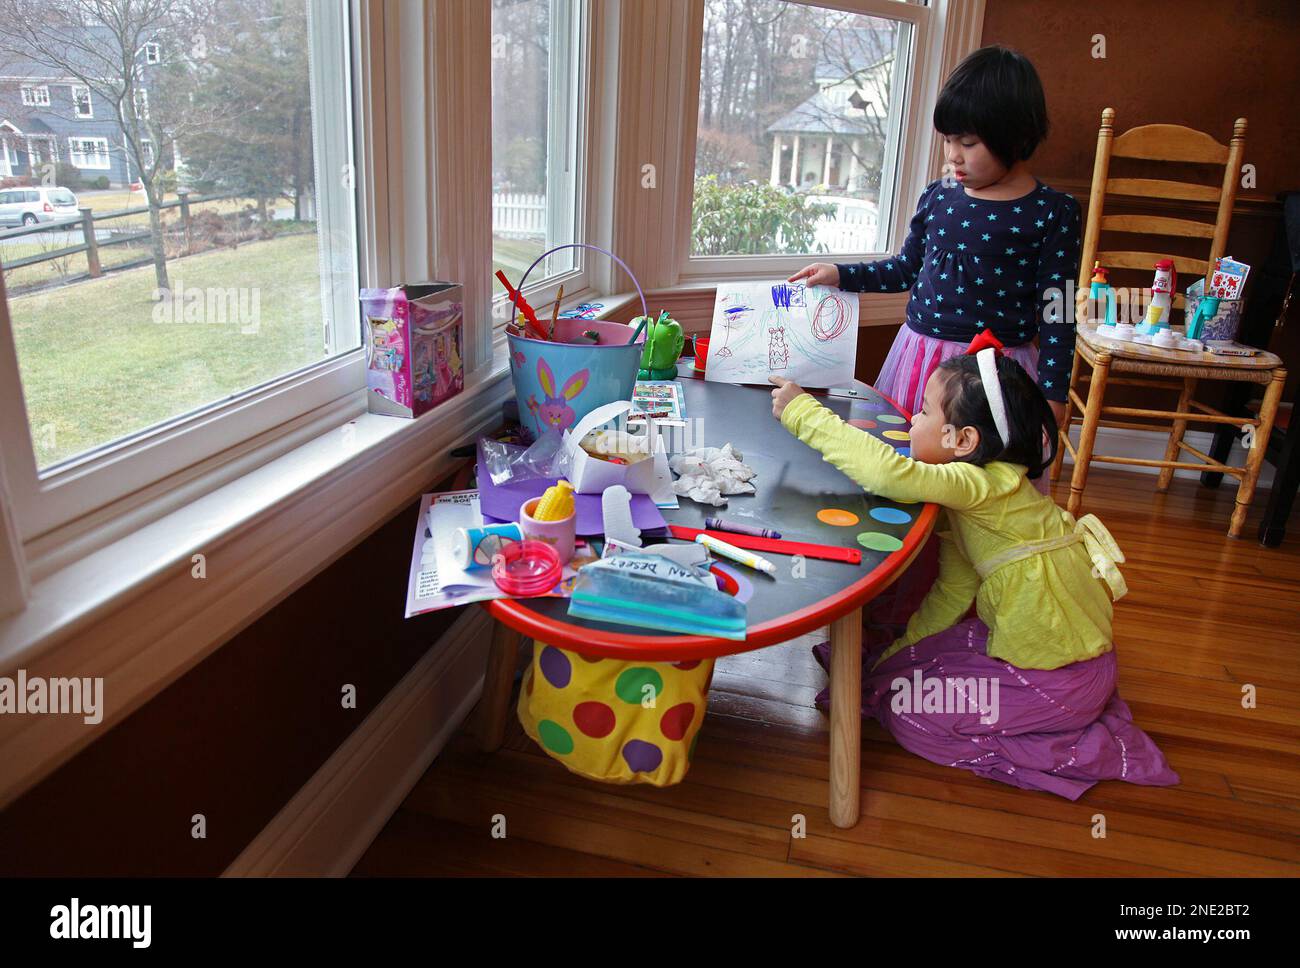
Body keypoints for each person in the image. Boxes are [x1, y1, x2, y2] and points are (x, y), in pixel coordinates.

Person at [768, 331, 1179, 800]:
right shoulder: (982, 505)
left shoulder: (979, 484)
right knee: (916, 660)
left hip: (1062, 679)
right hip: (1069, 662)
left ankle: (1072, 744)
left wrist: (803, 412)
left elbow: (888, 473)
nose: (913, 421)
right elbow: (951, 593)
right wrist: (898, 653)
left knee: (907, 716)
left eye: (923, 412)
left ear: (963, 441)